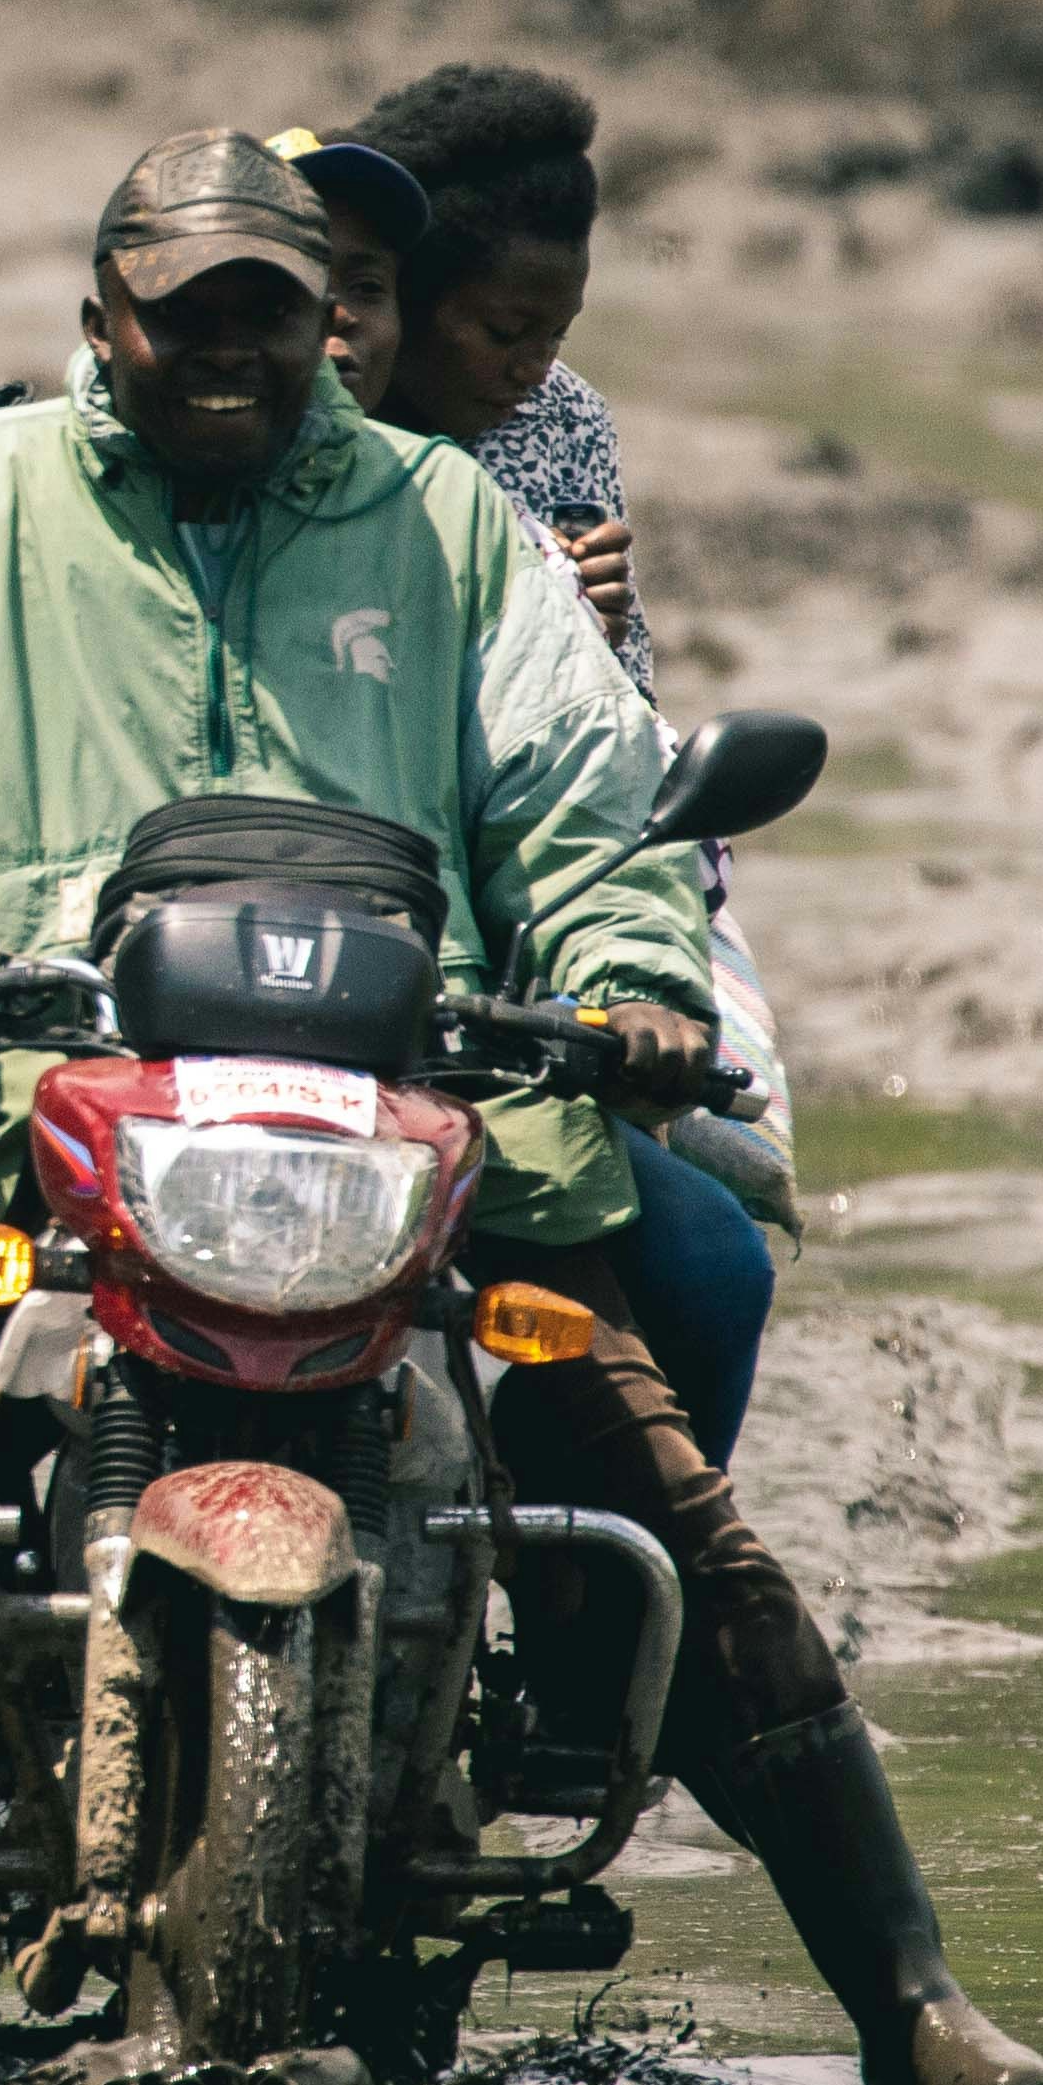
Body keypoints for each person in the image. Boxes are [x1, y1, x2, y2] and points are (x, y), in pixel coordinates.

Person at [0, 127, 1043, 2085]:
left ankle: (914, 2000)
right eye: (184, 319)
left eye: (268, 313)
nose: (230, 355)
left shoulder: (447, 524)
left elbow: (589, 800)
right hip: (55, 1135)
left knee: (665, 1532)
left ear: (322, 324)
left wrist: (627, 969)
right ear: (102, 327)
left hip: (439, 1130)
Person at [313, 70, 795, 1463]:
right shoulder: (264, 434)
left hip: (499, 939)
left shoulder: (557, 428)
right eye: (502, 328)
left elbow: (607, 759)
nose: (529, 364)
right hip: (287, 922)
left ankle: (615, 1600)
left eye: (555, 330)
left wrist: (593, 634)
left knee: (706, 1259)